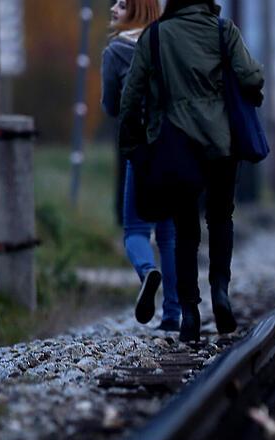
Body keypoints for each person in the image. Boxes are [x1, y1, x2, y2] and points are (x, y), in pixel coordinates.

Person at [117, 0, 265, 343]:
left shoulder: (155, 36)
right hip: (221, 143)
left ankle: (189, 313)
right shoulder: (221, 30)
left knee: (185, 229)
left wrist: (131, 146)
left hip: (175, 146)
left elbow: (131, 96)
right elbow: (251, 75)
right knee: (220, 218)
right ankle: (220, 290)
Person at [102, 0, 181, 332]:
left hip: (143, 150)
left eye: (120, 4)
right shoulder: (172, 42)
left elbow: (110, 106)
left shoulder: (116, 51)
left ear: (136, 9)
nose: (112, 10)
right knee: (169, 234)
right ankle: (173, 314)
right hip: (178, 146)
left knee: (135, 230)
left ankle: (148, 271)